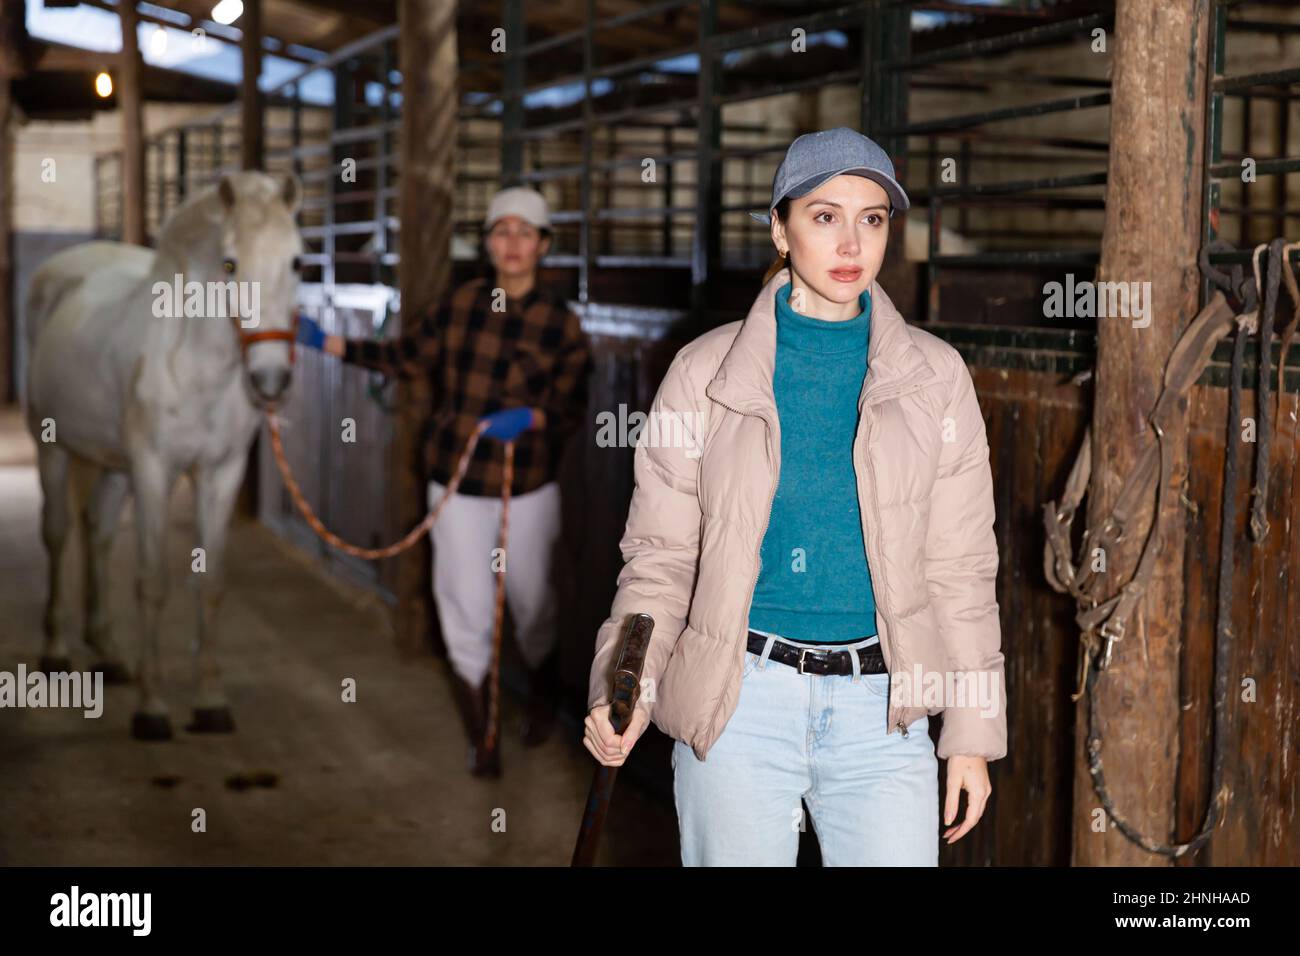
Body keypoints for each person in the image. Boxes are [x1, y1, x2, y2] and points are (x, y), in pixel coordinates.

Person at [582, 127, 1006, 865]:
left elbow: (962, 570)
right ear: (779, 228)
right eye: (824, 216)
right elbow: (661, 559)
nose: (851, 243)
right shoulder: (702, 373)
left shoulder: (938, 378)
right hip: (739, 701)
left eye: (872, 219)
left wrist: (970, 733)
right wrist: (627, 687)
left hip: (885, 708)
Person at [297, 186, 594, 777]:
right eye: (500, 231)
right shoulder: (460, 305)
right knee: (464, 604)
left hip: (526, 485)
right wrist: (327, 342)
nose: (512, 243)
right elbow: (405, 357)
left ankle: (542, 690)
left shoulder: (561, 323)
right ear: (488, 243)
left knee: (533, 603)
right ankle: (483, 734)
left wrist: (533, 418)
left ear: (542, 245)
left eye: (524, 233)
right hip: (457, 484)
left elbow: (573, 406)